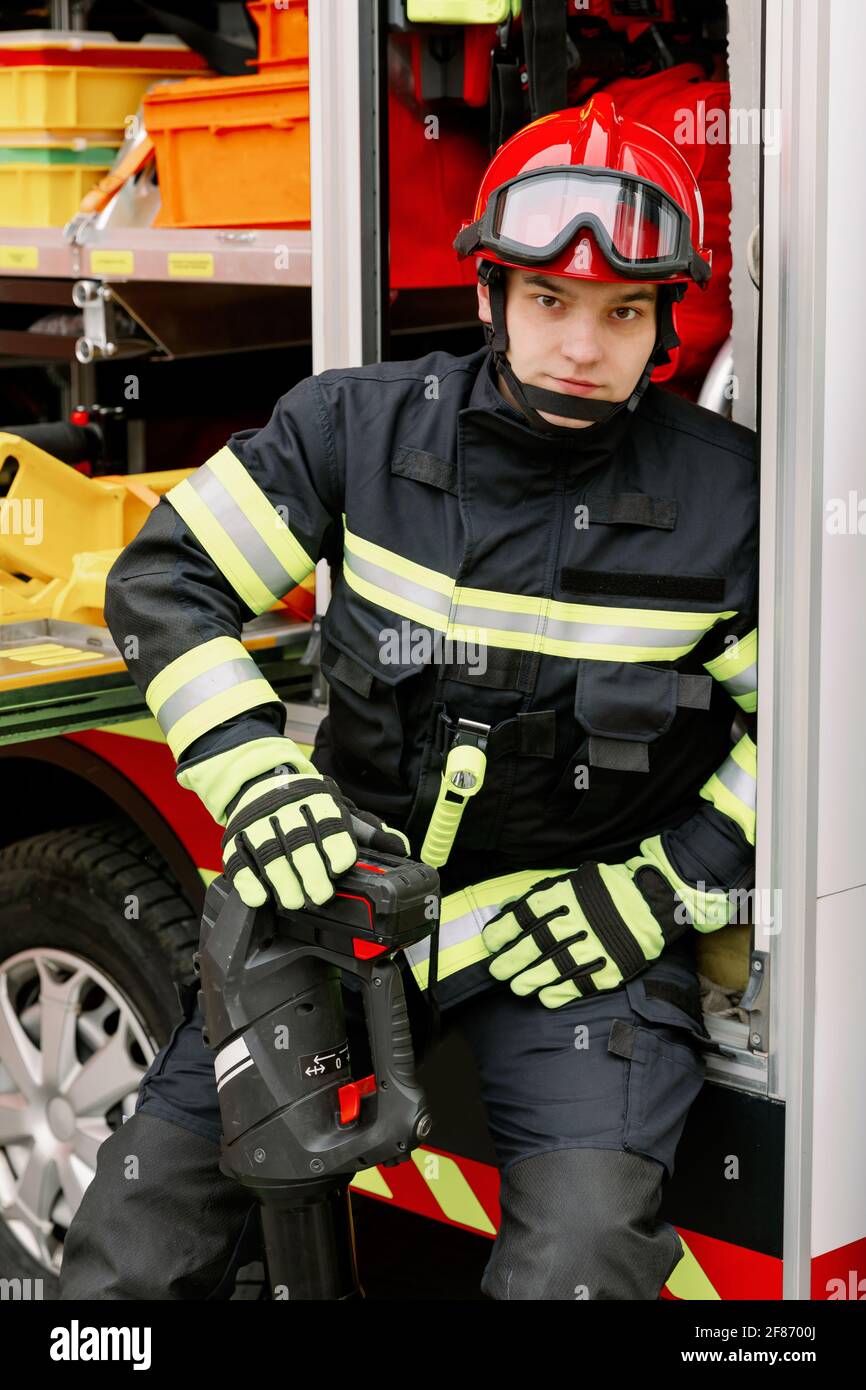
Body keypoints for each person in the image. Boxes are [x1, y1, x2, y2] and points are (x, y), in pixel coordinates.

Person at [58, 92, 758, 1302]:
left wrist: (664, 884)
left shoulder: (732, 506)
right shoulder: (352, 427)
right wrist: (260, 777)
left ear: (666, 322)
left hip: (575, 943)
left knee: (581, 1261)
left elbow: (818, 729)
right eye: (547, 302)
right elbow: (166, 577)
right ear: (486, 293)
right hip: (339, 905)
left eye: (621, 312)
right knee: (133, 1244)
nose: (581, 347)